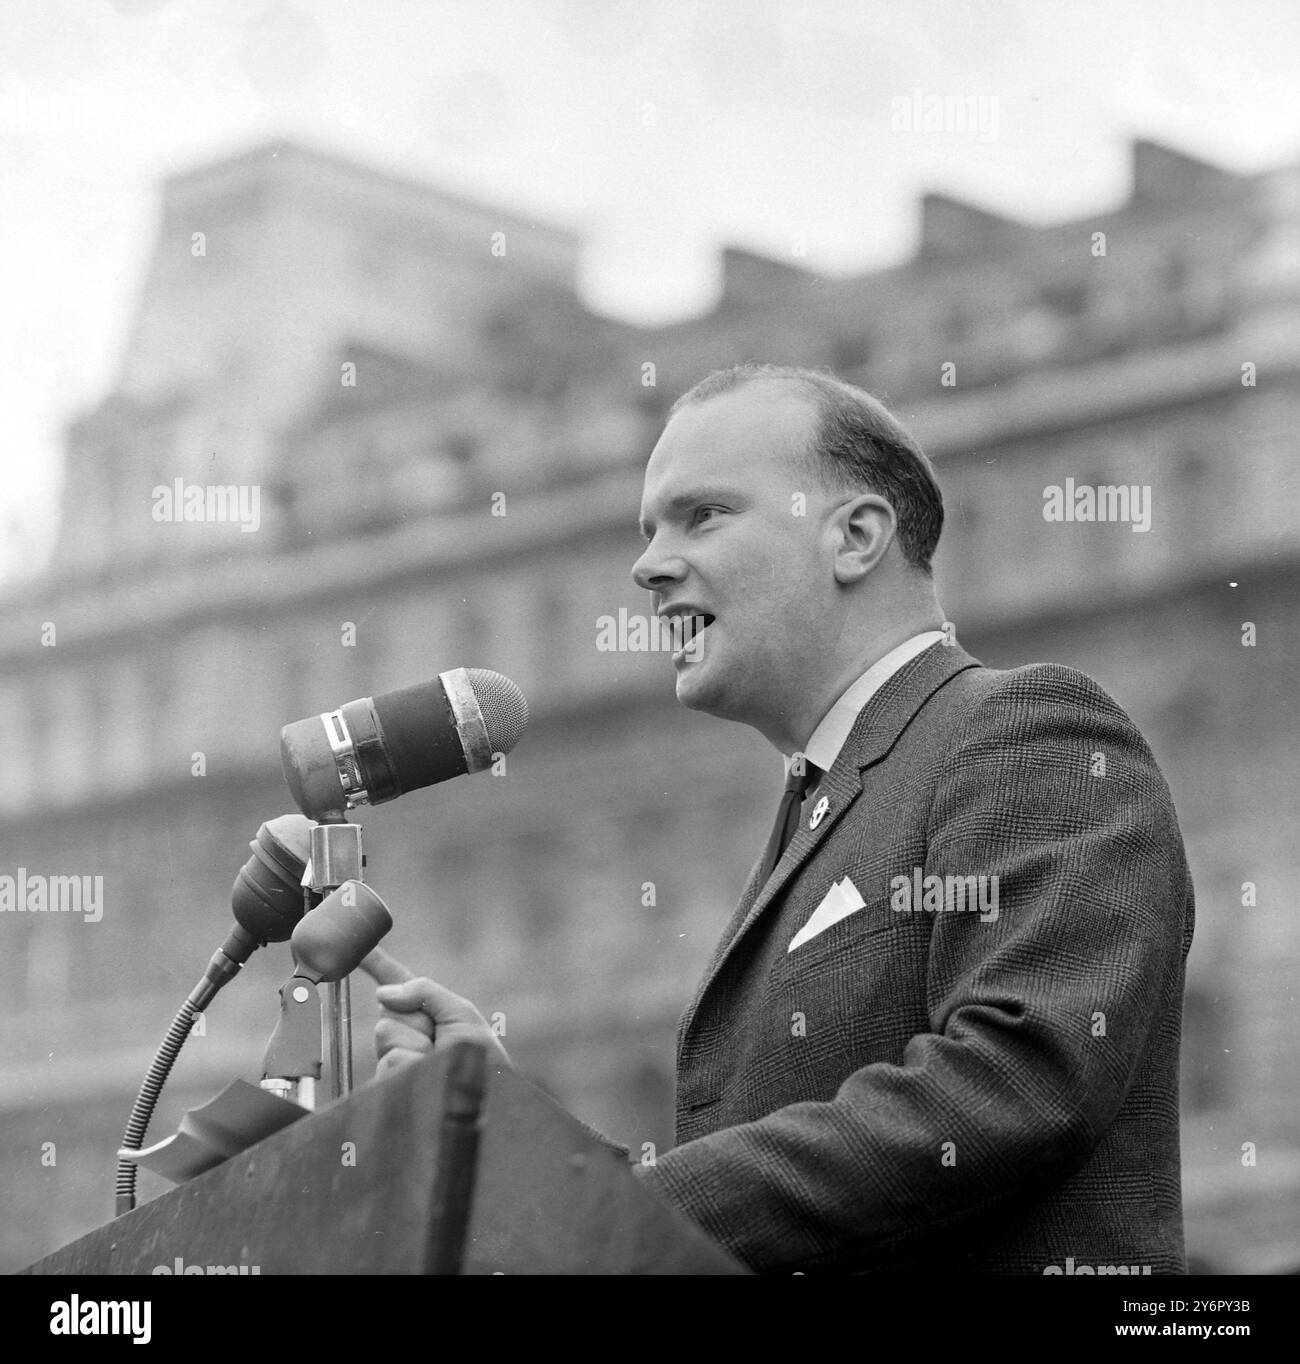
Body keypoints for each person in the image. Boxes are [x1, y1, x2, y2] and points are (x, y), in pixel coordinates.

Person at [375, 363, 1195, 1275]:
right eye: (649, 531)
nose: (647, 567)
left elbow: (1023, 1077)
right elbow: (764, 1189)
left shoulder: (1022, 731)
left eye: (704, 515)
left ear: (853, 536)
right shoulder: (818, 804)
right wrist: (513, 1129)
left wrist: (615, 1217)